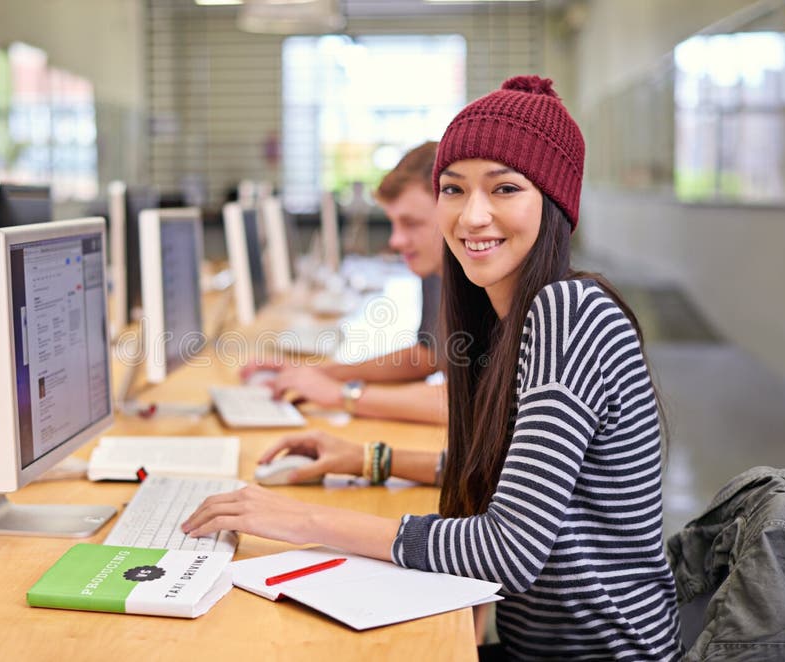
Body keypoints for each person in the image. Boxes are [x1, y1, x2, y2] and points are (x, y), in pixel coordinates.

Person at [185, 76, 683, 659]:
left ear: (553, 205)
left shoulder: (568, 312)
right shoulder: (505, 313)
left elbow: (507, 549)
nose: (472, 216)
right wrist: (372, 459)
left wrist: (300, 521)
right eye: (453, 189)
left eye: (504, 189)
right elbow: (513, 478)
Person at [244, 141, 448, 425]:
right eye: (393, 223)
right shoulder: (438, 268)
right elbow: (429, 356)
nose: (394, 241)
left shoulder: (488, 281)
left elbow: (466, 404)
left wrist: (343, 395)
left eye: (411, 223)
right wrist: (317, 375)